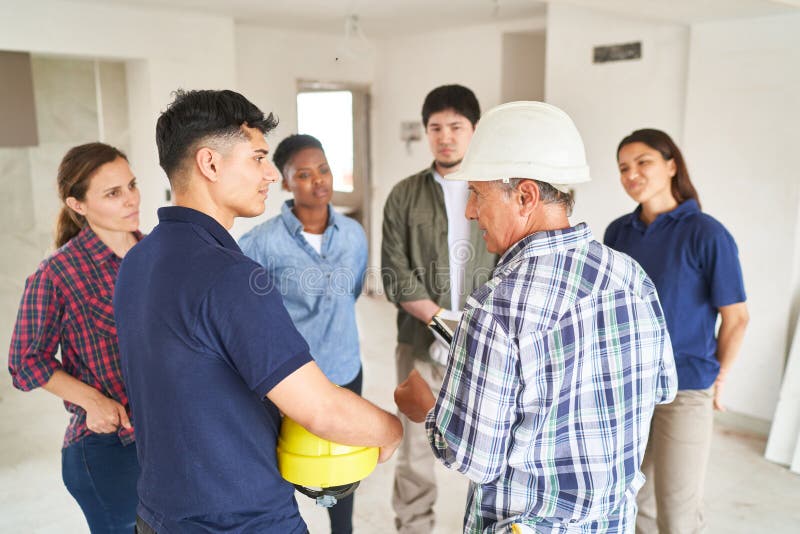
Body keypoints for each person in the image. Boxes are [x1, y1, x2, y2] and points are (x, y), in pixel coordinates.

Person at [113, 89, 402, 534]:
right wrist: (389, 429)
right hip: (240, 520)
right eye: (258, 158)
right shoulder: (231, 276)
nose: (270, 174)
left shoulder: (138, 260)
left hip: (157, 515)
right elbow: (320, 409)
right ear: (210, 163)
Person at [394, 101, 678, 533]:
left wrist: (429, 410)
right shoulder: (629, 275)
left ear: (525, 195)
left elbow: (473, 456)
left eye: (477, 194)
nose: (471, 211)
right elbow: (662, 388)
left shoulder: (496, 306)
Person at [604, 128, 749, 534]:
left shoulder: (707, 233)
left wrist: (718, 378)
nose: (632, 174)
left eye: (643, 162)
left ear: (671, 166)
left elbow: (736, 317)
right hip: (629, 387)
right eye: (623, 168)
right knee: (635, 503)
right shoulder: (618, 233)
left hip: (684, 390)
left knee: (677, 512)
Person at [8, 142, 142, 533]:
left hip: (167, 441)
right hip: (108, 451)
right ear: (78, 204)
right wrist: (93, 401)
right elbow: (24, 362)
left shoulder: (157, 253)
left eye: (132, 185)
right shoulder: (58, 273)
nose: (131, 199)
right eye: (113, 193)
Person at [381, 84, 497, 533]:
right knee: (414, 451)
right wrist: (441, 321)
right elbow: (393, 272)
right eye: (435, 128)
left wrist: (472, 329)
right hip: (418, 344)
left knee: (489, 449)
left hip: (487, 348)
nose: (445, 137)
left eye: (456, 127)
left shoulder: (495, 190)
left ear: (474, 130)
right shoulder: (404, 195)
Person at [239, 133, 368, 534]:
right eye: (305, 174)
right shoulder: (259, 244)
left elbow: (354, 290)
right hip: (287, 380)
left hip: (345, 368)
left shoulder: (354, 235)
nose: (319, 181)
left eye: (324, 169)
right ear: (285, 181)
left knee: (342, 476)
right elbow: (249, 316)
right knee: (280, 468)